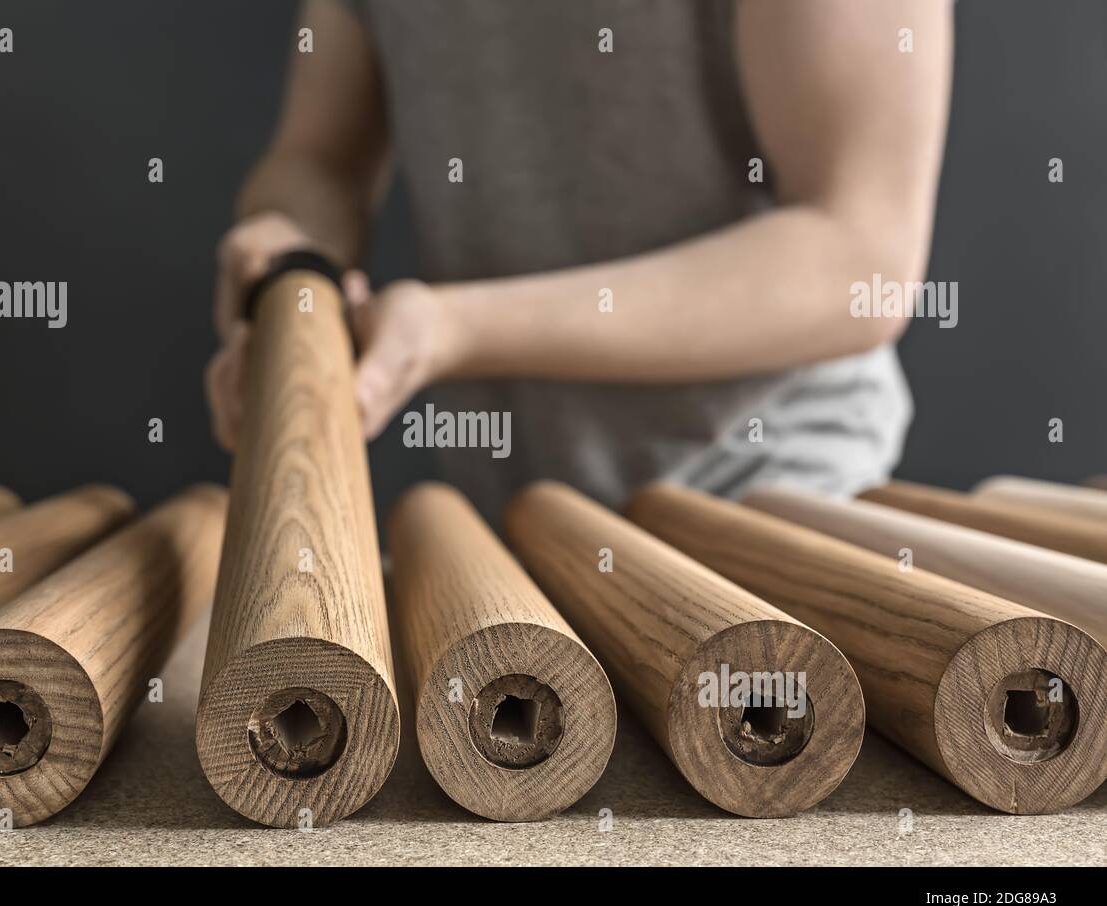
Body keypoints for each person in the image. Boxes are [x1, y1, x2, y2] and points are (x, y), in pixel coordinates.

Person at [205, 0, 952, 519]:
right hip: (517, 528)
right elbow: (320, 156)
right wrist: (290, 268)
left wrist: (452, 329)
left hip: (772, 509)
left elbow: (859, 263)